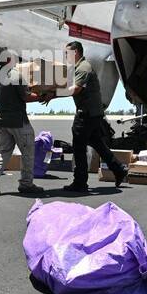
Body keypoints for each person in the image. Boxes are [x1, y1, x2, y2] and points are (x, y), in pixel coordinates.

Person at [62, 41, 127, 193]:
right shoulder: (80, 67)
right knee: (97, 144)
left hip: (86, 115)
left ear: (76, 53)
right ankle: (119, 170)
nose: (66, 56)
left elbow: (76, 89)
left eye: (67, 53)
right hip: (93, 114)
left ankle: (80, 182)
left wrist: (54, 95)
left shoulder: (83, 67)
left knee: (79, 147)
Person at [0, 51, 47, 197]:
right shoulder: (16, 75)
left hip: (1, 121)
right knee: (28, 151)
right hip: (18, 121)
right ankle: (26, 184)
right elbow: (26, 96)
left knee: (3, 151)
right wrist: (43, 96)